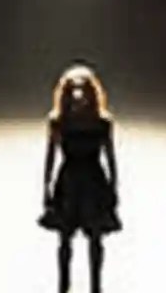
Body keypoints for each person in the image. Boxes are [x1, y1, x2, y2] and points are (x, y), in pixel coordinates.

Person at [39, 60, 121, 293]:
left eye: (83, 88)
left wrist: (114, 188)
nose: (78, 94)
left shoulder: (102, 123)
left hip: (94, 180)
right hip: (69, 180)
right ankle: (63, 286)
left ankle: (97, 286)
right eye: (73, 89)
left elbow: (111, 157)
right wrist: (45, 188)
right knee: (65, 237)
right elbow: (50, 156)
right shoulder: (59, 122)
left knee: (95, 237)